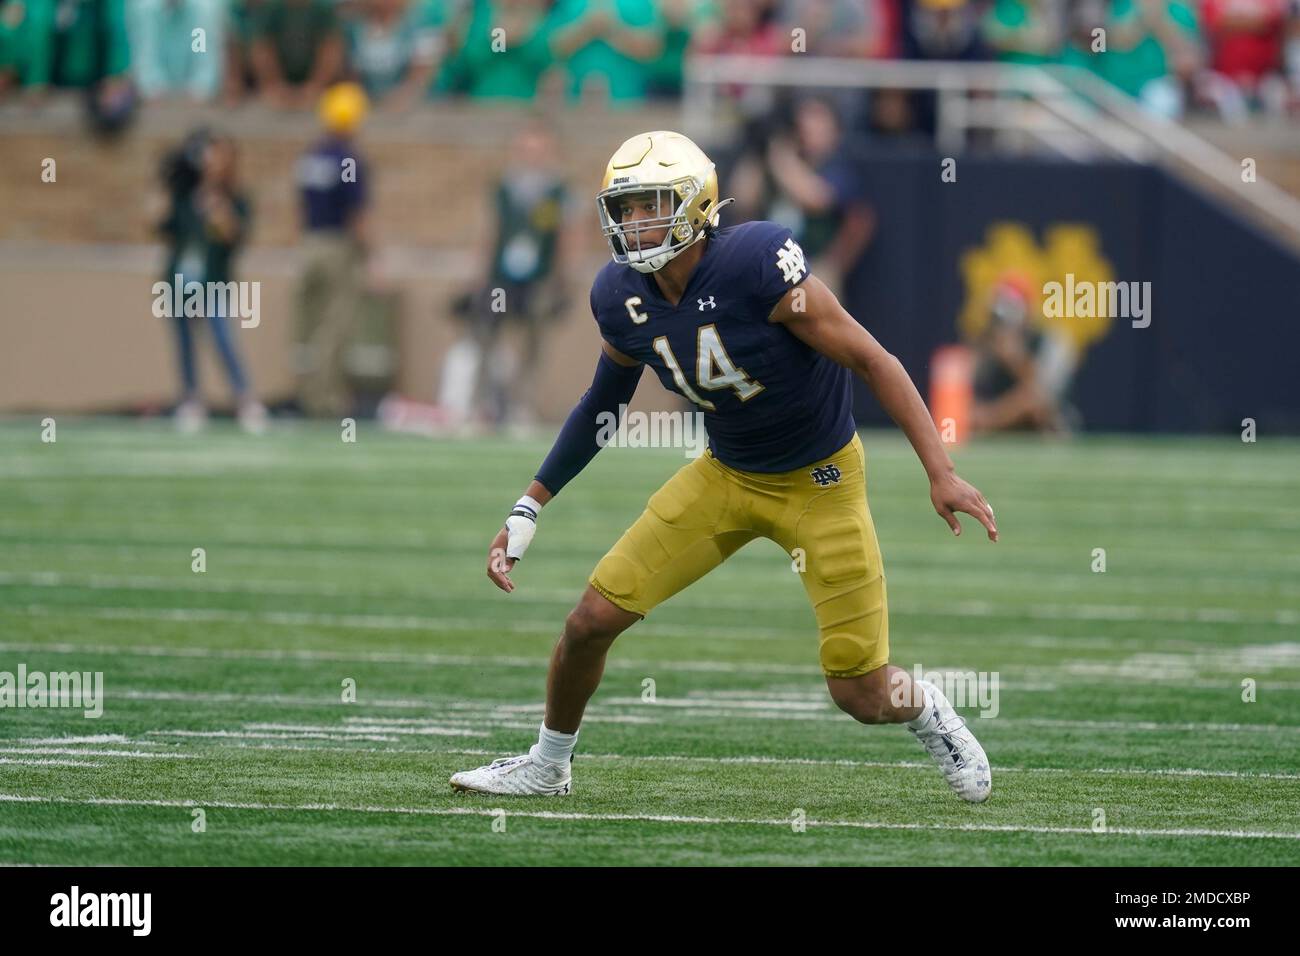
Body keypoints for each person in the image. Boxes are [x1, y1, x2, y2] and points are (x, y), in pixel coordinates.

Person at [450, 131, 998, 803]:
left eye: (649, 205)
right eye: (624, 208)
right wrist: (529, 504)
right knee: (588, 622)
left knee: (859, 691)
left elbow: (873, 359)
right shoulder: (620, 294)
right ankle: (548, 765)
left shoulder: (756, 264)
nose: (632, 223)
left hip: (821, 483)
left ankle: (928, 710)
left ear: (692, 206)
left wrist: (939, 471)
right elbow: (603, 402)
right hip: (726, 475)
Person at [437, 119, 579, 429]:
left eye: (539, 149)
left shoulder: (558, 191)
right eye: (527, 149)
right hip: (501, 278)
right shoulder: (503, 187)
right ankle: (486, 404)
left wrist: (563, 276)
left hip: (538, 277)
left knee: (534, 339)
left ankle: (522, 405)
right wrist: (478, 273)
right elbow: (489, 231)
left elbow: (566, 236)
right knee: (487, 334)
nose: (532, 156)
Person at [158, 129, 268, 434]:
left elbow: (235, 237)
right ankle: (191, 398)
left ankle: (244, 398)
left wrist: (218, 211)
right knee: (183, 343)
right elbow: (163, 228)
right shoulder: (183, 195)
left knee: (223, 338)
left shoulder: (234, 199)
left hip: (214, 282)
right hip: (179, 281)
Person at [293, 82, 372, 418]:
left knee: (307, 324)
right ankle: (325, 398)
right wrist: (370, 253)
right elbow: (357, 215)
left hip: (309, 242)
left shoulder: (310, 156)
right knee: (335, 324)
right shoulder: (350, 159)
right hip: (338, 245)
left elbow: (300, 205)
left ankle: (305, 391)